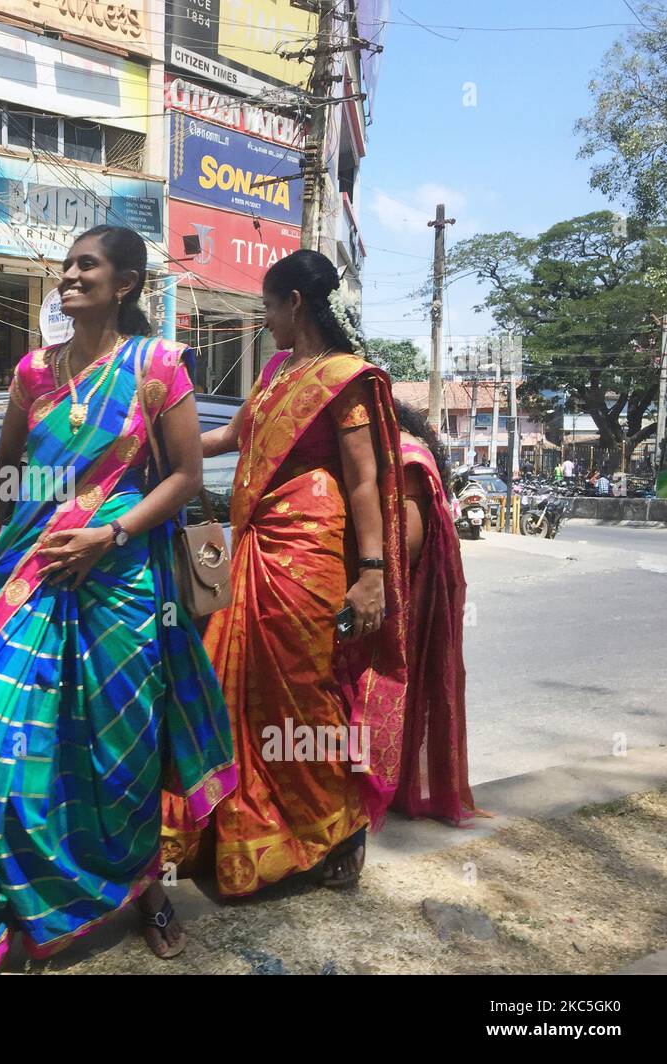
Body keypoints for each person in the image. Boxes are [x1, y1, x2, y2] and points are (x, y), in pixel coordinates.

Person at [0, 226, 237, 975]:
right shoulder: (33, 372)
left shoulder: (157, 368)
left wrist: (108, 537)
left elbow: (183, 475)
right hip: (32, 581)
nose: (69, 276)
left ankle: (145, 889)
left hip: (122, 585)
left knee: (120, 756)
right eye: (67, 266)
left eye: (87, 266)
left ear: (124, 284)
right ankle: (13, 902)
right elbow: (7, 470)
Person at [161, 249, 409, 895]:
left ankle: (338, 828)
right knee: (234, 689)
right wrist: (161, 438)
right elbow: (233, 437)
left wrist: (373, 571)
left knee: (304, 690)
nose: (265, 320)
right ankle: (242, 833)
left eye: (268, 307)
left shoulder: (347, 377)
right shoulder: (274, 371)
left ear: (295, 304)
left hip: (308, 550)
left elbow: (363, 481)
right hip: (250, 546)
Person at [390, 401, 475, 824]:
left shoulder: (406, 456)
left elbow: (408, 543)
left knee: (402, 689)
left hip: (408, 592)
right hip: (396, 589)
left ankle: (395, 786)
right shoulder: (395, 449)